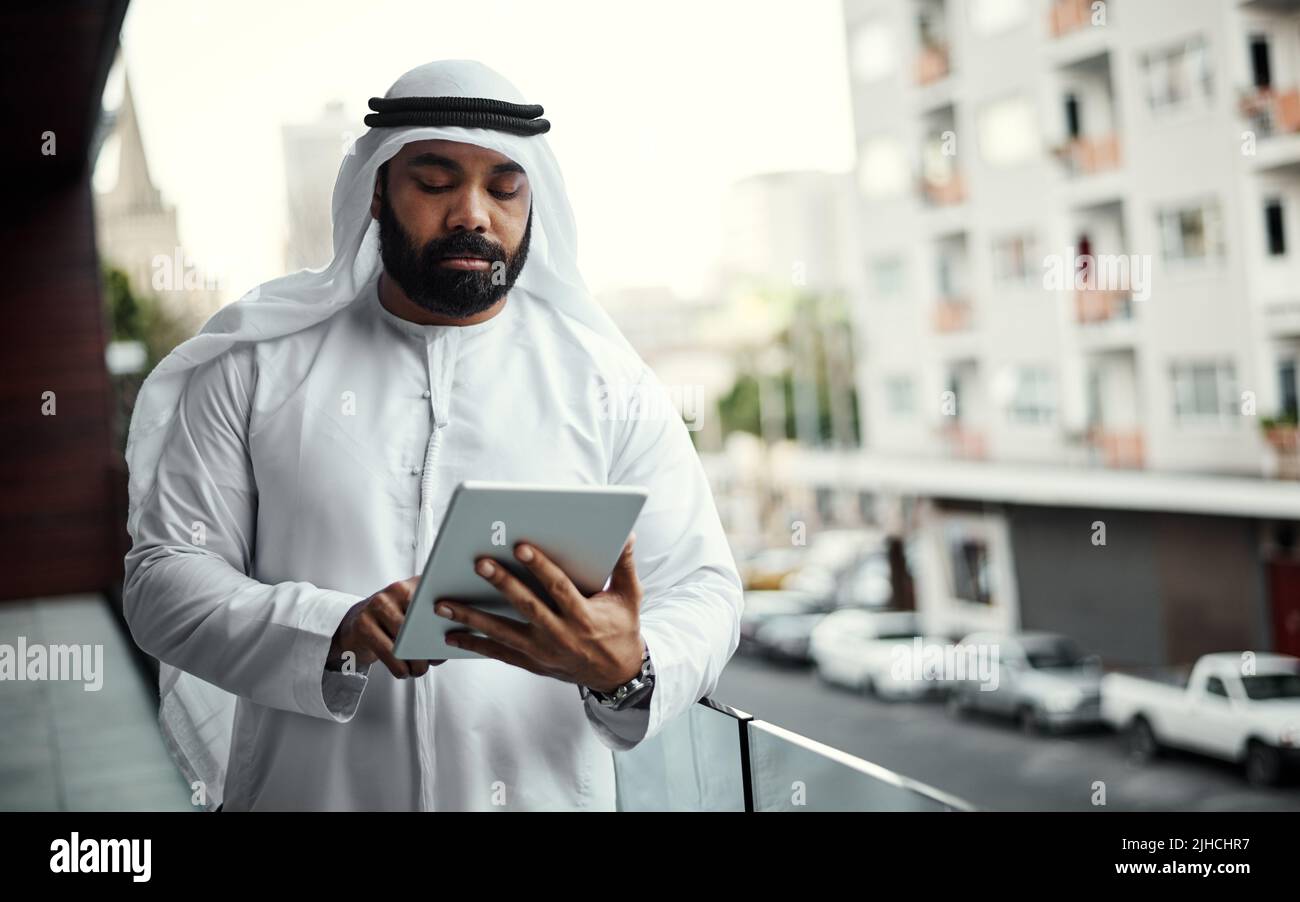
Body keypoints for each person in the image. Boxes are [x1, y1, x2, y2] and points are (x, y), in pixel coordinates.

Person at [121, 60, 743, 811]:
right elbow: (162, 579)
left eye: (504, 187)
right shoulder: (256, 367)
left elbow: (705, 587)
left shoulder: (608, 384)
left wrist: (631, 667)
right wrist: (334, 627)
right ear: (378, 190)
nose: (472, 214)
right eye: (437, 181)